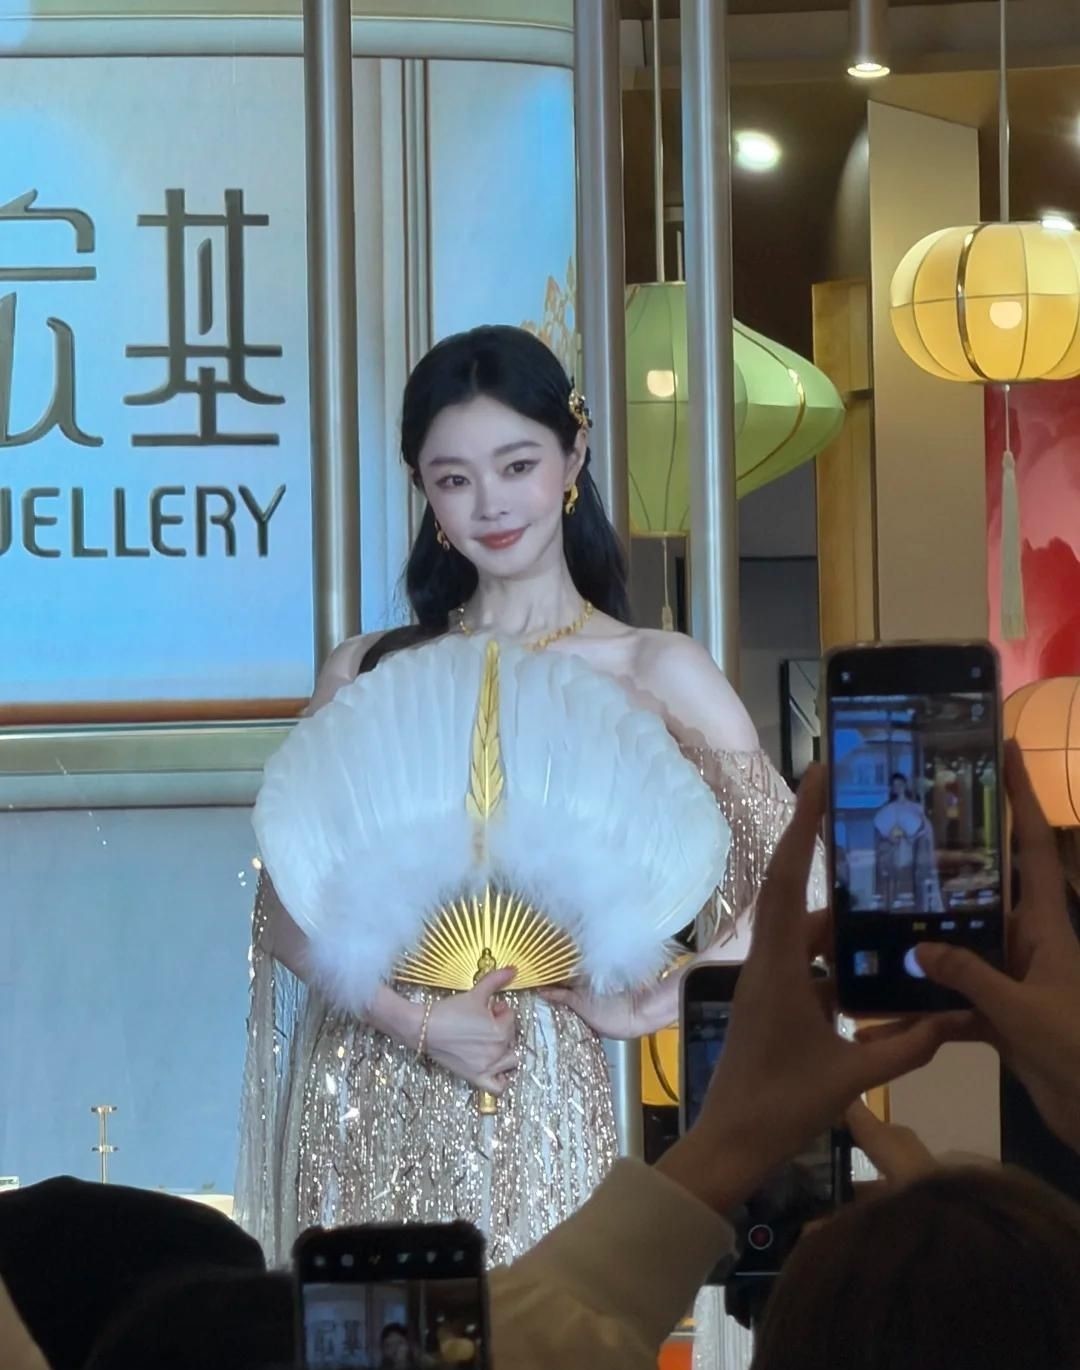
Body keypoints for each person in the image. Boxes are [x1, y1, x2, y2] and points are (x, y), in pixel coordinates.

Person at [235, 325, 819, 1295]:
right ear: (423, 490)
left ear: (573, 458)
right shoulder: (370, 669)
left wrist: (654, 1001)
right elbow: (284, 910)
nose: (490, 503)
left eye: (517, 465)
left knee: (544, 1330)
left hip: (535, 1088)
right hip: (364, 1082)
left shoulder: (651, 667)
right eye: (453, 478)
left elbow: (809, 876)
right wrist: (417, 1023)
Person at [872, 772, 943, 912]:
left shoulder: (916, 808)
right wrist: (889, 837)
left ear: (905, 785)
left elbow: (925, 832)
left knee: (915, 887)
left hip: (913, 855)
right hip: (894, 857)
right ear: (892, 788)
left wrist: (913, 836)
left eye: (900, 784)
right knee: (893, 888)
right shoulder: (887, 809)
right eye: (895, 785)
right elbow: (880, 836)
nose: (898, 788)